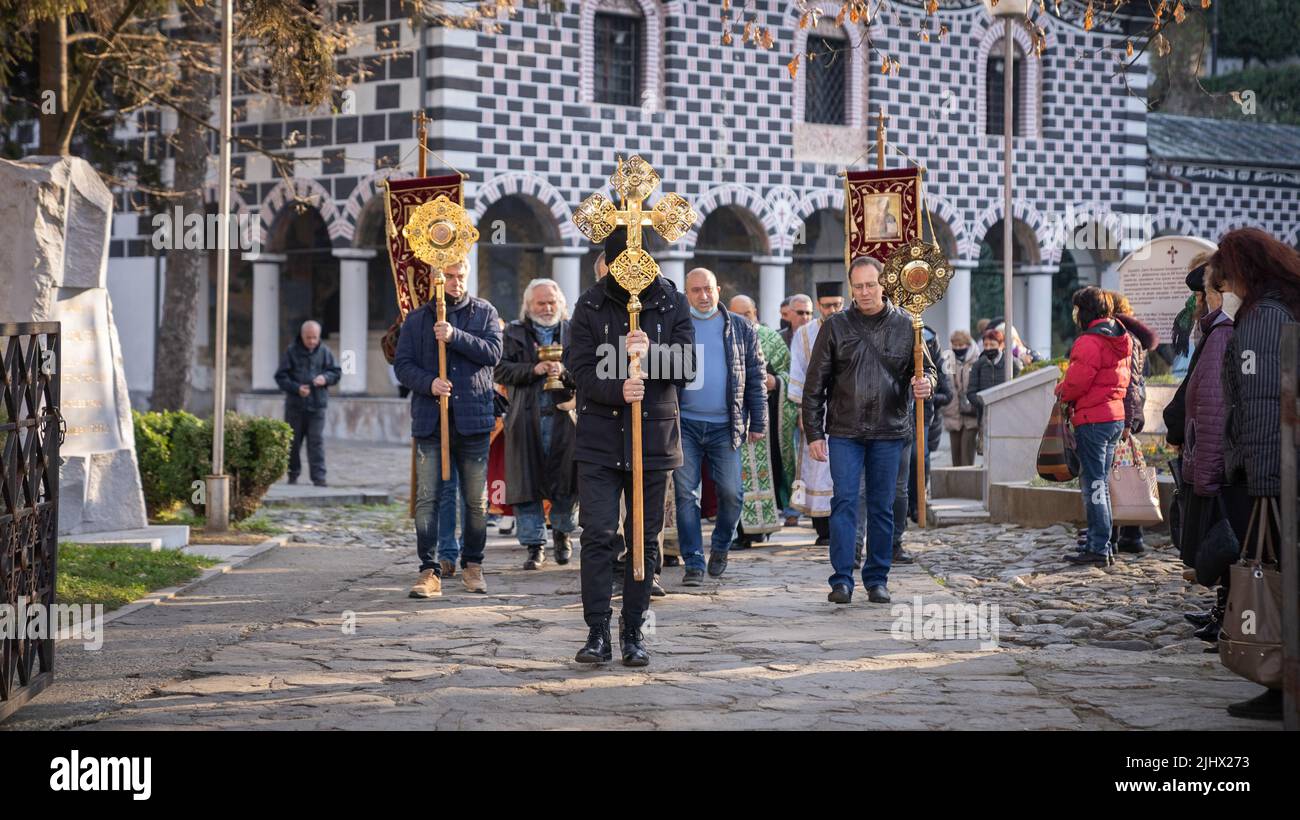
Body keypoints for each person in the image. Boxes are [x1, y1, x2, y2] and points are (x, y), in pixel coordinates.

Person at [565, 227, 694, 666]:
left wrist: (653, 351)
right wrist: (617, 387)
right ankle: (597, 629)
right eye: (622, 263)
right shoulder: (590, 303)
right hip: (601, 438)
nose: (631, 271)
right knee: (598, 534)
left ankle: (634, 631)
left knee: (643, 539)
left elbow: (687, 367)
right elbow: (579, 369)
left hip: (652, 439)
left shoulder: (671, 302)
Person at [802, 257, 936, 605]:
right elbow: (815, 384)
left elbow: (927, 372)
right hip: (845, 430)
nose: (864, 292)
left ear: (884, 285)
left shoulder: (908, 325)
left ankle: (877, 578)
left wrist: (925, 384)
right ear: (851, 287)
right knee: (844, 502)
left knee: (882, 506)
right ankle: (842, 579)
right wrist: (815, 433)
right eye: (858, 286)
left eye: (870, 285)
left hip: (890, 430)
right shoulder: (835, 327)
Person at [1214, 227, 1300, 720]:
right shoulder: (1276, 308)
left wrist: (1265, 480)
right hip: (1271, 468)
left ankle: (1279, 682)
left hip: (1270, 473)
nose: (1224, 282)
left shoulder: (1264, 318)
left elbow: (1267, 403)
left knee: (1274, 578)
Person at [396, 259, 503, 598]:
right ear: (434, 279)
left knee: (476, 499)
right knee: (429, 498)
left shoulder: (484, 312)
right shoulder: (416, 320)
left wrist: (455, 336)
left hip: (472, 421)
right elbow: (403, 366)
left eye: (461, 276)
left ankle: (473, 564)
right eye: (449, 277)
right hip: (431, 422)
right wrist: (430, 384)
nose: (455, 282)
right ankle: (429, 570)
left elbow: (493, 353)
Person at [673, 270, 766, 585]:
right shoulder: (677, 327)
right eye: (696, 290)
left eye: (708, 289)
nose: (703, 296)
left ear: (718, 289)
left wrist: (759, 420)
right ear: (687, 294)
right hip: (684, 423)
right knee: (687, 495)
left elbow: (755, 376)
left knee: (731, 493)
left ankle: (722, 546)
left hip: (726, 425)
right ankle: (694, 562)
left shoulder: (740, 328)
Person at [495, 278, 579, 570]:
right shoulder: (514, 333)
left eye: (551, 302)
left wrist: (564, 372)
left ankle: (562, 535)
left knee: (567, 481)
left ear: (561, 304)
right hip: (525, 417)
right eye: (540, 303)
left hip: (564, 418)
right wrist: (535, 369)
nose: (546, 308)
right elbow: (500, 369)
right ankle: (534, 546)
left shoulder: (574, 332)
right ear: (528, 306)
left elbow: (588, 370)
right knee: (526, 484)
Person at [1179, 261, 1236, 644]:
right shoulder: (1214, 330)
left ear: (1212, 295)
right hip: (1210, 457)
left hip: (1216, 460)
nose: (1195, 303)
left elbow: (1214, 406)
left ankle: (1230, 614)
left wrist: (1206, 471)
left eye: (1198, 294)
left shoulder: (1220, 333)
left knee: (1226, 542)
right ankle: (1223, 607)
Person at [1055, 287, 1131, 566]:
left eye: (1077, 309)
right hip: (1114, 417)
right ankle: (1104, 543)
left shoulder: (1089, 341)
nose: (1075, 315)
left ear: (1085, 311)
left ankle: (1098, 548)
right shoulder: (1120, 337)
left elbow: (1077, 382)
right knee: (1102, 483)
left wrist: (1062, 390)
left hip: (1093, 420)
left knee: (1094, 484)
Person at [729, 294, 793, 544]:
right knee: (735, 478)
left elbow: (789, 374)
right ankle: (742, 532)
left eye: (747, 314)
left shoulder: (769, 337)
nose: (743, 318)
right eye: (737, 314)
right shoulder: (725, 335)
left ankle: (763, 526)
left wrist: (776, 382)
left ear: (755, 312)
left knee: (766, 475)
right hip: (732, 416)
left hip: (763, 415)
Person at [788, 282, 843, 544]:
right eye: (828, 305)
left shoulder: (852, 326)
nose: (833, 310)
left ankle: (843, 526)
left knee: (841, 468)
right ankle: (823, 530)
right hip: (817, 410)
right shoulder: (805, 334)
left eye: (838, 304)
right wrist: (802, 411)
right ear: (818, 305)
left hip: (846, 411)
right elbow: (798, 370)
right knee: (816, 467)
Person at [1107, 292, 1159, 554]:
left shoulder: (1122, 336)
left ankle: (1116, 533)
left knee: (1116, 472)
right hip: (1135, 409)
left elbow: (1127, 382)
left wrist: (1126, 419)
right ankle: (1131, 532)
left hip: (1125, 412)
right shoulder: (1137, 336)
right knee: (1129, 469)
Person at [275, 319, 342, 487]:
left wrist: (325, 378)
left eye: (315, 337)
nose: (312, 341)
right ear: (302, 336)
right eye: (308, 337)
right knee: (293, 442)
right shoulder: (291, 351)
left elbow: (336, 372)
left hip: (318, 405)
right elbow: (281, 377)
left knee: (316, 441)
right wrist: (296, 388)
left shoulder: (325, 352)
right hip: (295, 406)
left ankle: (319, 477)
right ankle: (293, 474)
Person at [967, 328, 1022, 437]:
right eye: (985, 345)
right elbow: (971, 392)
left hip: (1007, 416)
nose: (988, 348)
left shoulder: (1012, 364)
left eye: (992, 345)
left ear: (1002, 345)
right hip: (985, 416)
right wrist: (985, 402)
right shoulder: (978, 365)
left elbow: (1019, 388)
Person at [941, 329, 980, 467]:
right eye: (955, 345)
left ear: (968, 345)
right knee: (955, 456)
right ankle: (956, 486)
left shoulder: (976, 360)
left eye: (961, 345)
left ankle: (967, 485)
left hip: (971, 413)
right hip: (953, 413)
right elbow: (946, 385)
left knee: (967, 455)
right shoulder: (947, 360)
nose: (958, 348)